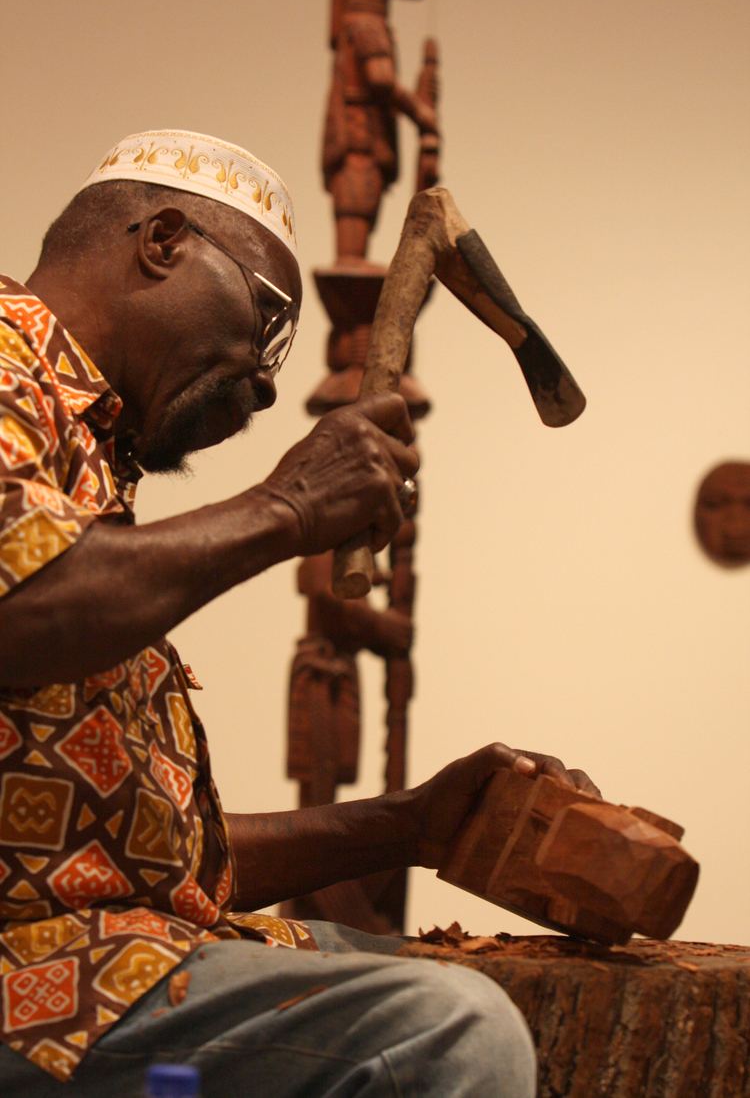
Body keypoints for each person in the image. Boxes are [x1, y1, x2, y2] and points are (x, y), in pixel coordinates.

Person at [0, 129, 597, 1096]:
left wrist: (407, 826)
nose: (270, 378)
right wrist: (288, 509)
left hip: (108, 960)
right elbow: (17, 604)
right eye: (269, 320)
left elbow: (172, 872)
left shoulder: (81, 470)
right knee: (445, 1032)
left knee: (472, 985)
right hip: (38, 986)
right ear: (161, 239)